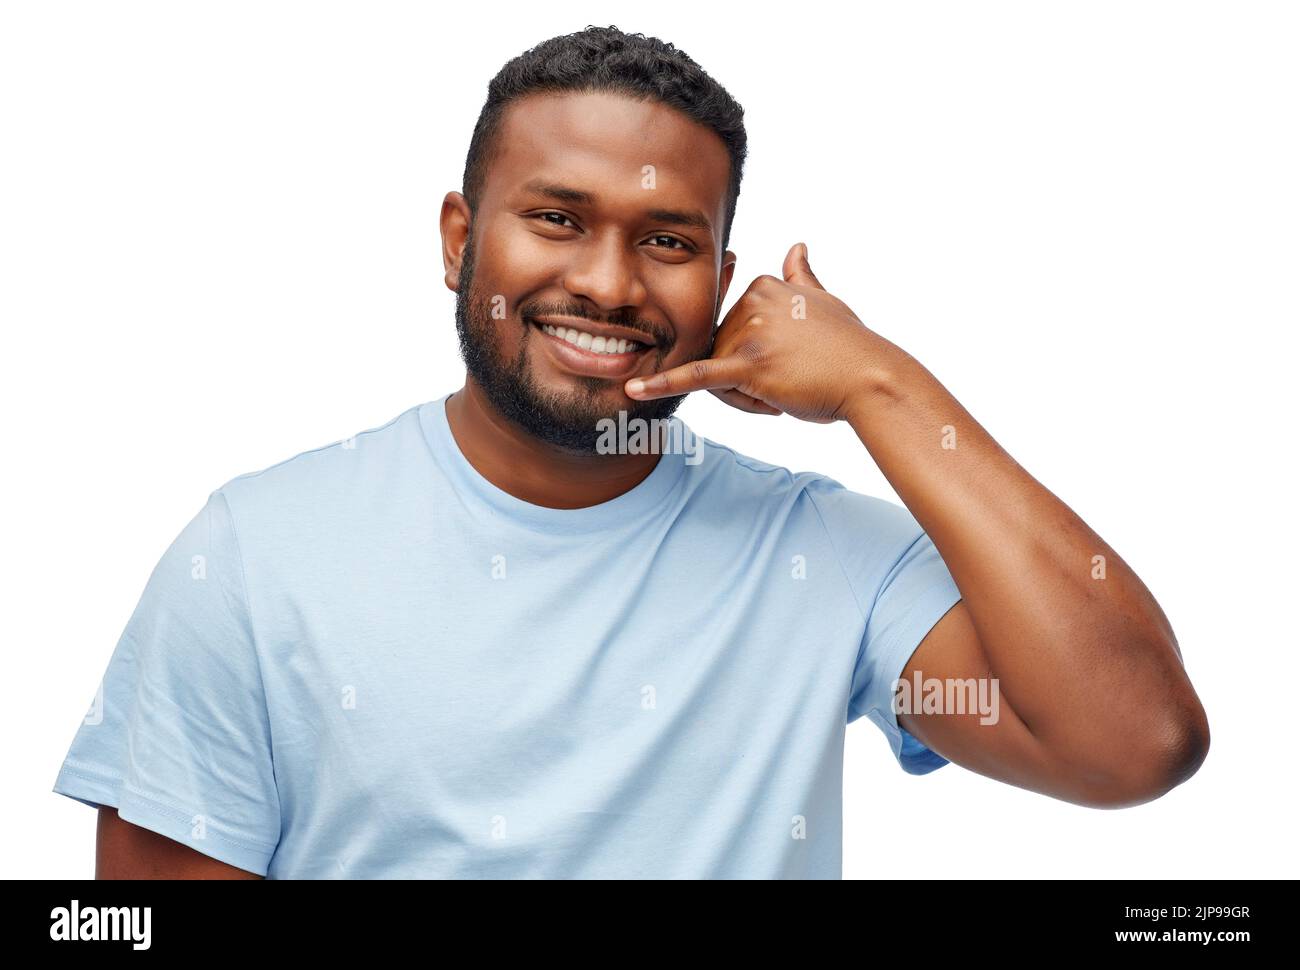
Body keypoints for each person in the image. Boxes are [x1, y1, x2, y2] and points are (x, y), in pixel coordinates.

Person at [53, 25, 1208, 879]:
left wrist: (879, 384)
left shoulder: (822, 555)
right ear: (460, 240)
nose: (607, 282)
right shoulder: (254, 555)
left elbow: (1136, 741)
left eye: (665, 240)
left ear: (722, 280)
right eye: (556, 218)